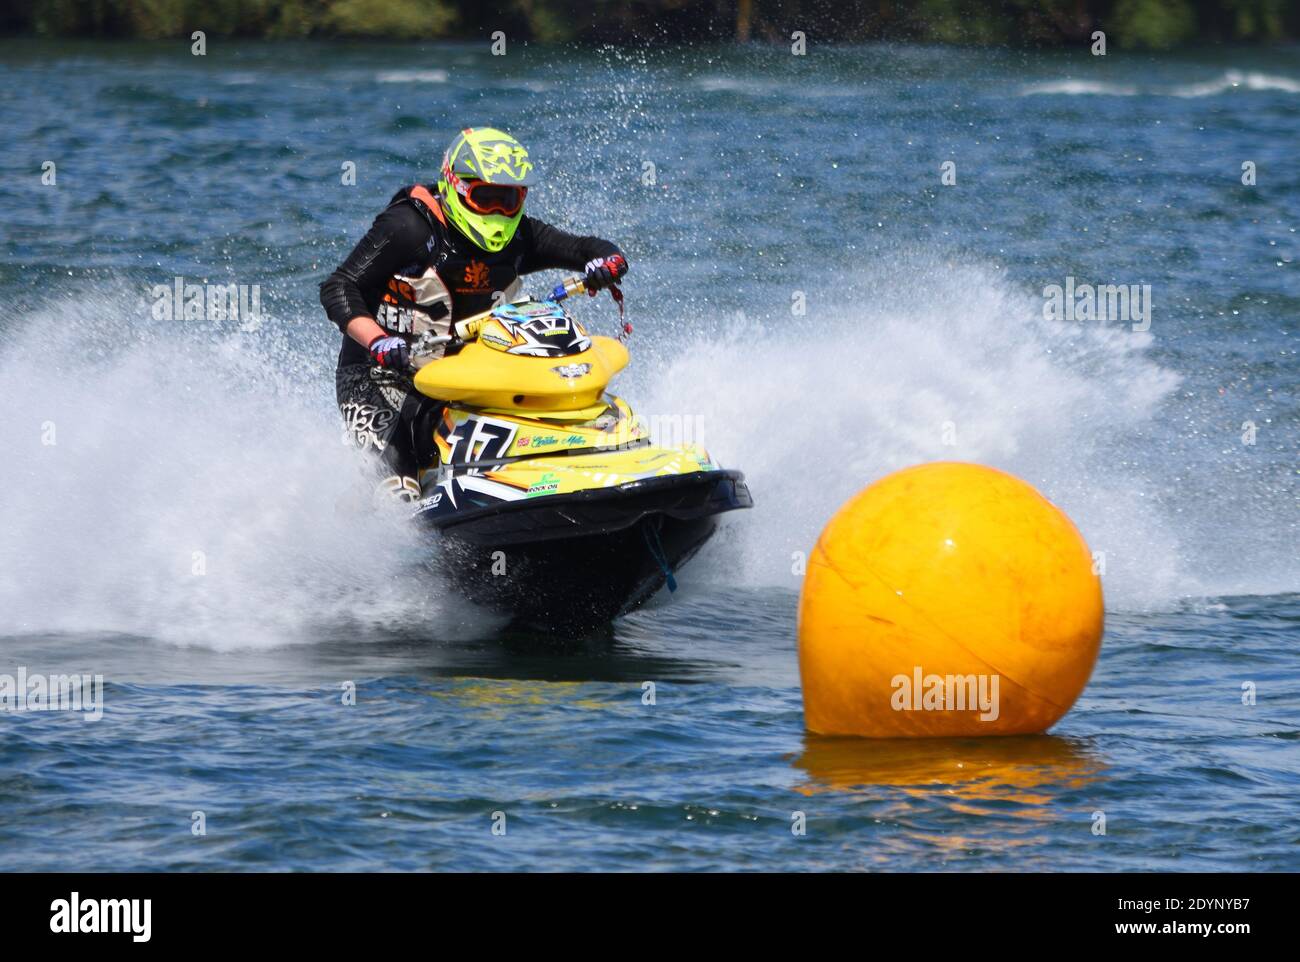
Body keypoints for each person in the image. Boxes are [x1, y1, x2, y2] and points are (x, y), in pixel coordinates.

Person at [320, 127, 628, 501]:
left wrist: (607, 261)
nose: (499, 211)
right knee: (399, 486)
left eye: (509, 199)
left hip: (468, 380)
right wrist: (378, 341)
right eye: (487, 198)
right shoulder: (408, 228)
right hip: (379, 377)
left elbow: (584, 247)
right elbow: (338, 286)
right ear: (457, 187)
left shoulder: (520, 237)